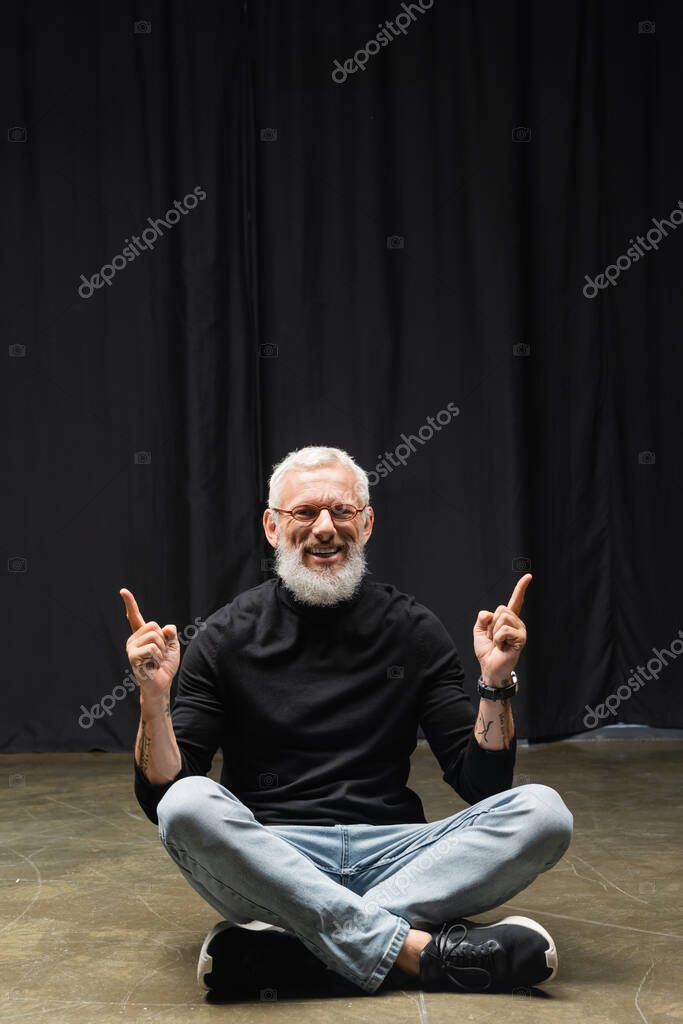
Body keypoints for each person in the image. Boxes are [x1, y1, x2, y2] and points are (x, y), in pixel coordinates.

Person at [121, 445, 573, 1001]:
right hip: (272, 856)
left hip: (399, 853)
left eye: (343, 512)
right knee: (188, 805)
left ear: (368, 522)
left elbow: (481, 783)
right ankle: (419, 954)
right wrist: (153, 697)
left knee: (544, 812)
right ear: (271, 526)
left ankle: (300, 949)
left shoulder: (413, 630)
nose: (325, 529)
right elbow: (161, 794)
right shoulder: (225, 636)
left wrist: (494, 682)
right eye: (305, 513)